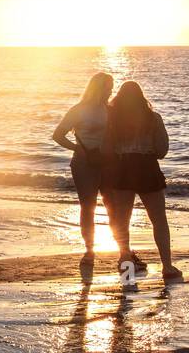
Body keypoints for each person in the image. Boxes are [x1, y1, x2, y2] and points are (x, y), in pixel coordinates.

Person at [104, 80, 181, 281]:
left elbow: (107, 148)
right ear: (141, 97)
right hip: (147, 167)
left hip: (122, 167)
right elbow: (162, 150)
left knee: (122, 219)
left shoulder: (112, 119)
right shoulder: (153, 118)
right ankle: (167, 266)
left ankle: (125, 261)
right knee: (158, 220)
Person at [51, 72, 126, 265]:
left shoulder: (109, 109)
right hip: (83, 163)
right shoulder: (79, 109)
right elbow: (58, 135)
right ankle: (89, 250)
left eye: (112, 87)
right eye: (108, 87)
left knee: (113, 206)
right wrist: (77, 148)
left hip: (108, 163)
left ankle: (122, 251)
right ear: (98, 88)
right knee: (88, 206)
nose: (110, 90)